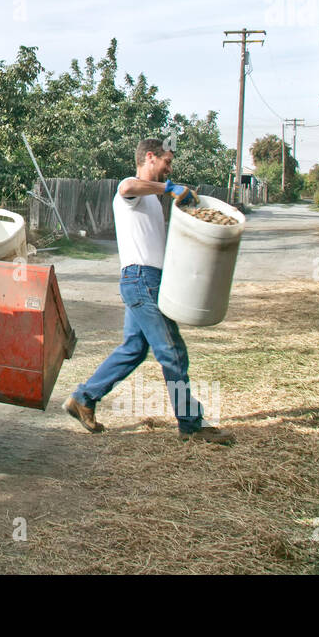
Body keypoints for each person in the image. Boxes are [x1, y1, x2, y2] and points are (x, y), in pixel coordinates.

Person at [62, 137, 233, 444]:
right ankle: (191, 425)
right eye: (166, 162)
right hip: (142, 280)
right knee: (173, 351)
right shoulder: (133, 189)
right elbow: (127, 188)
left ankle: (84, 398)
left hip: (144, 279)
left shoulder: (151, 200)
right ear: (150, 157)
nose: (169, 169)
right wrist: (168, 188)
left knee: (134, 349)